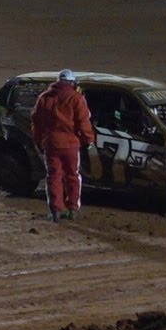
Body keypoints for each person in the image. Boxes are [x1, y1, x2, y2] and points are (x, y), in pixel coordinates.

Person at [31, 70, 95, 223]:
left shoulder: (44, 97)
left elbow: (36, 122)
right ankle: (72, 209)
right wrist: (88, 139)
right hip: (71, 145)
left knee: (53, 177)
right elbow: (83, 122)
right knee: (72, 176)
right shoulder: (76, 98)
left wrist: (39, 141)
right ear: (72, 82)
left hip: (51, 144)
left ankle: (55, 211)